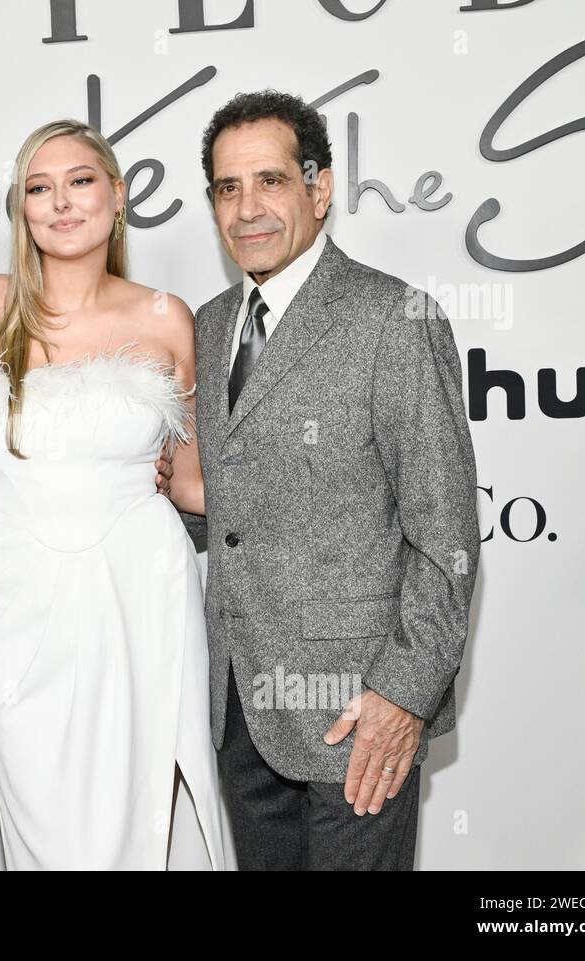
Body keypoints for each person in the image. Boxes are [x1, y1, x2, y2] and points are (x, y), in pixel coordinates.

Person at [161, 90, 479, 870]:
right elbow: (235, 509)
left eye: (269, 181)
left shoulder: (393, 319)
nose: (247, 209)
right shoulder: (206, 324)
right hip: (239, 707)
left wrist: (402, 696)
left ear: (321, 188)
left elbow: (446, 536)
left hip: (356, 713)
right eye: (227, 189)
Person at [0, 119, 228, 869]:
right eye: (39, 187)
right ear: (21, 208)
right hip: (18, 594)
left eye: (80, 182)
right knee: (40, 811)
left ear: (118, 197)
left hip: (141, 587)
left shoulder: (165, 316)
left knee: (147, 809)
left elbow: (193, 479)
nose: (61, 202)